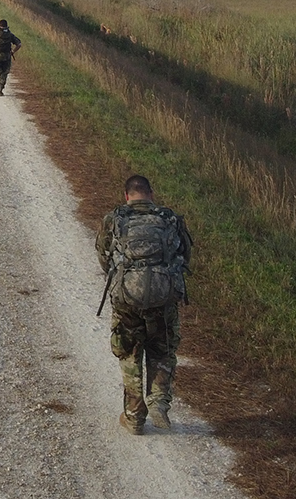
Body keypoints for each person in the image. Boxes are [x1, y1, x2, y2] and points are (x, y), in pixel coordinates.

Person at [96, 175, 193, 435]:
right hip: (163, 298)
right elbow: (184, 256)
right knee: (161, 350)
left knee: (130, 354)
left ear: (127, 196)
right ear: (151, 193)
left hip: (128, 298)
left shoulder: (114, 219)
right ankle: (159, 401)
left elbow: (103, 257)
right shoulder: (170, 218)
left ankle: (135, 417)